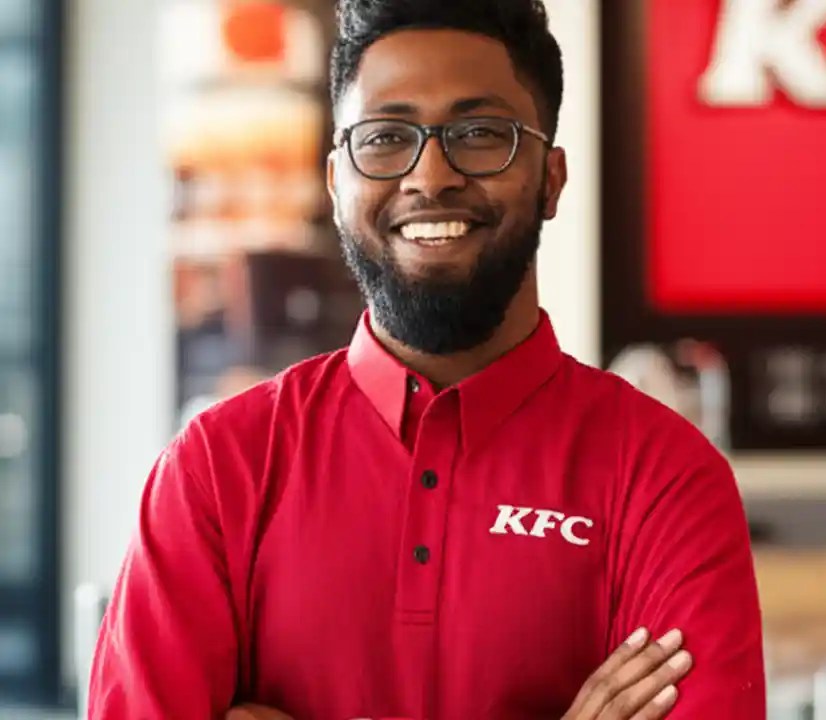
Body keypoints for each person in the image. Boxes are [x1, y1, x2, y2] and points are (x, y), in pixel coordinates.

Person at [86, 0, 766, 718]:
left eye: (480, 134)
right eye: (385, 137)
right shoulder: (219, 468)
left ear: (551, 178)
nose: (431, 175)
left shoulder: (665, 479)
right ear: (336, 183)